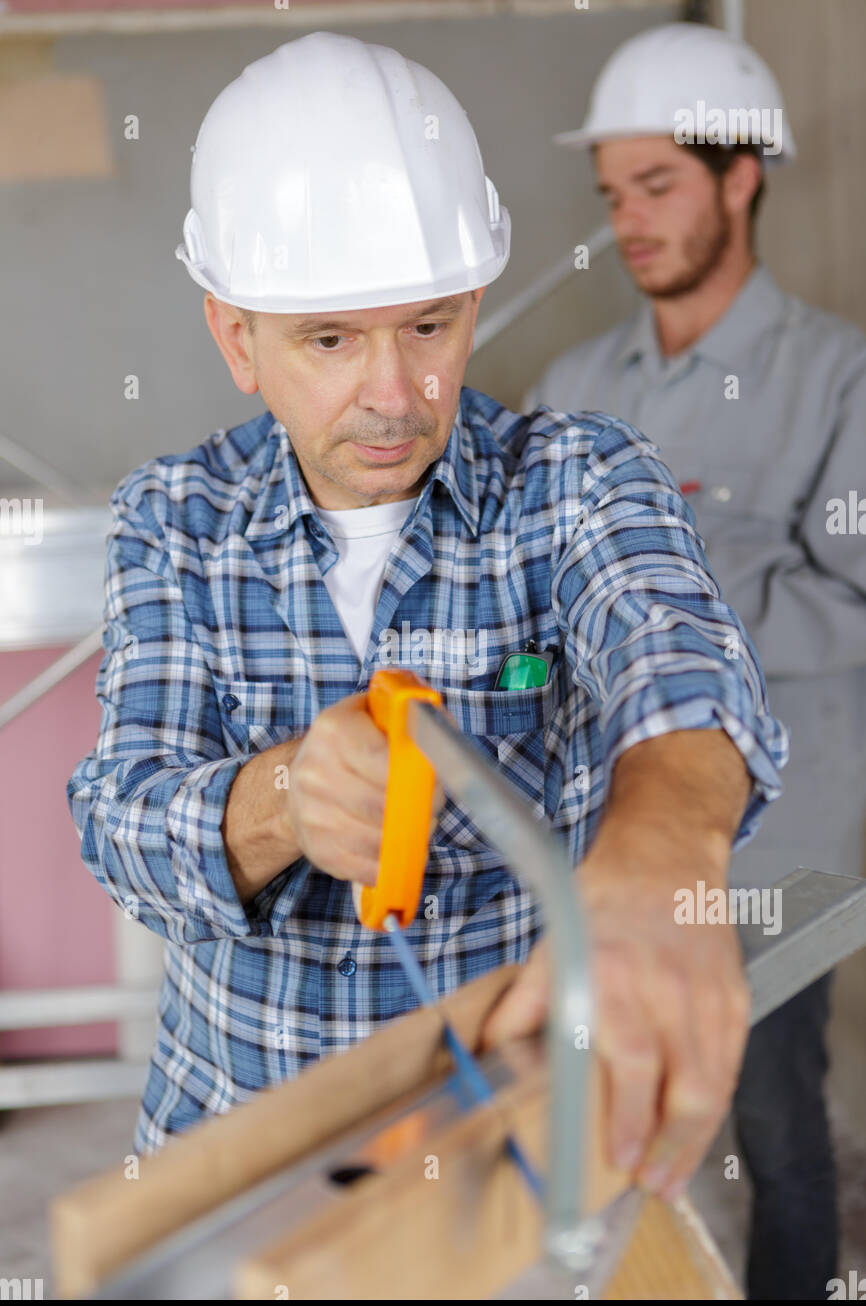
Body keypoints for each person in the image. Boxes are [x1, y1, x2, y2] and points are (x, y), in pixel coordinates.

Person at [68, 33, 787, 1239]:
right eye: (332, 341)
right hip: (244, 1170)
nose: (397, 396)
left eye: (429, 326)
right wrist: (284, 798)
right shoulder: (174, 521)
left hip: (497, 1160)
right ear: (238, 340)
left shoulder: (572, 481)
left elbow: (676, 651)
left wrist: (660, 859)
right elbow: (119, 817)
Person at [525, 21, 866, 1299]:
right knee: (601, 1116)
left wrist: (680, 562)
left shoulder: (840, 381)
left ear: (742, 178)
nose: (630, 221)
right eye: (614, 194)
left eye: (658, 184)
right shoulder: (574, 384)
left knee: (774, 1122)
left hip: (778, 841)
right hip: (601, 831)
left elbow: (856, 600)